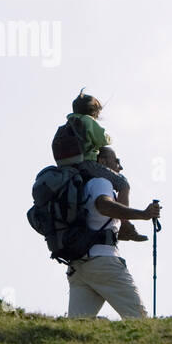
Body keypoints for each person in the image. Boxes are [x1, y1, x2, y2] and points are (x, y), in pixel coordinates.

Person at [65, 146, 162, 319]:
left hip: (79, 266)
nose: (120, 167)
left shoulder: (82, 186)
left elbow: (99, 224)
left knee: (78, 326)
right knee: (138, 319)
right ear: (101, 162)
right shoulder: (101, 182)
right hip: (103, 263)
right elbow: (103, 205)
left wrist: (129, 230)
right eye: (116, 161)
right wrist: (143, 214)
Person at [63, 90, 144, 241]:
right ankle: (125, 225)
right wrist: (106, 137)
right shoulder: (88, 121)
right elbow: (103, 140)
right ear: (94, 111)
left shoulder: (70, 122)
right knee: (123, 183)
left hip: (70, 167)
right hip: (87, 164)